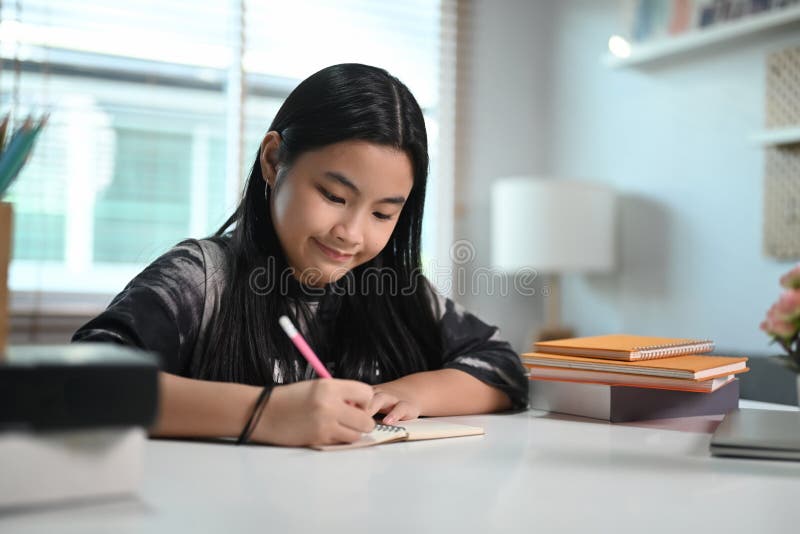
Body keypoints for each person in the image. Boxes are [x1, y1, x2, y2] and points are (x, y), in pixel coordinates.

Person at [73, 63, 528, 447]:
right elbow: (83, 385)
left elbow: (502, 370)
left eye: (383, 213)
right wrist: (265, 414)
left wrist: (410, 392)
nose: (351, 234)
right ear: (273, 160)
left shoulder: (390, 286)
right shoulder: (203, 278)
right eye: (333, 195)